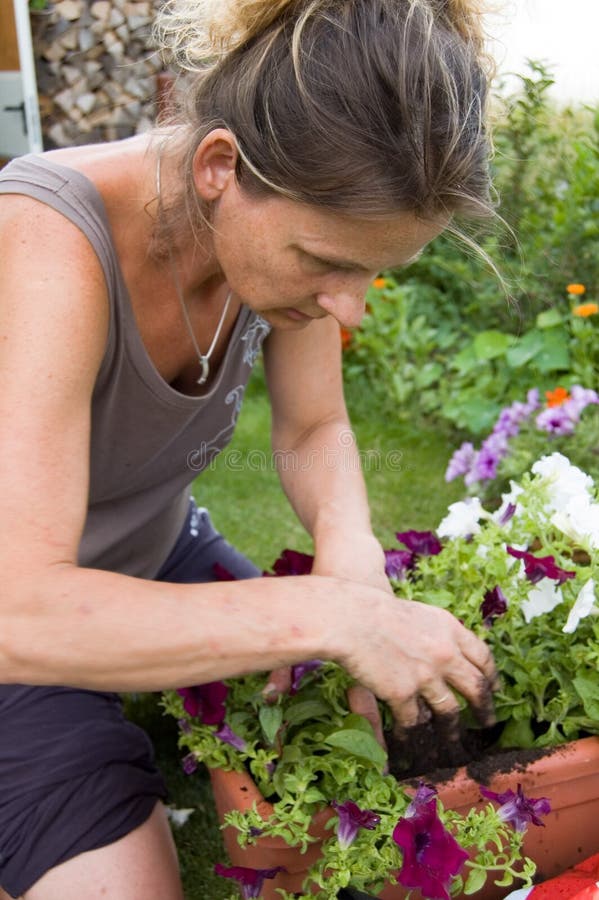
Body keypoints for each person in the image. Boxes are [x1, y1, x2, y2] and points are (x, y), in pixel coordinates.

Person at [0, 0, 498, 896]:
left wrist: (351, 567)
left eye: (371, 273)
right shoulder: (47, 241)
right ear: (219, 167)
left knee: (341, 730)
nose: (347, 308)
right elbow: (18, 611)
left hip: (158, 553)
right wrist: (326, 617)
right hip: (21, 620)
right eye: (327, 262)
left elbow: (315, 427)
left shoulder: (276, 250)